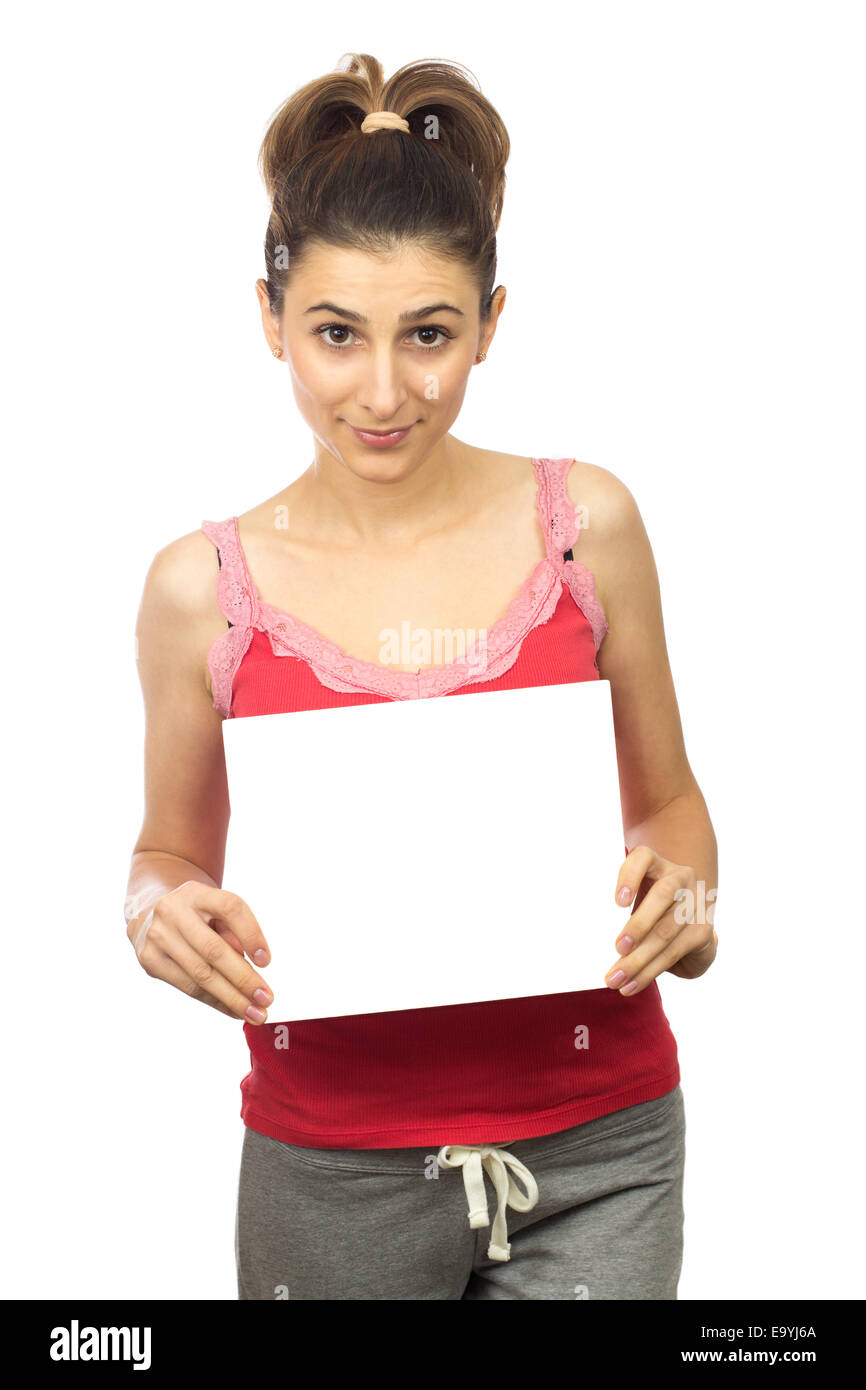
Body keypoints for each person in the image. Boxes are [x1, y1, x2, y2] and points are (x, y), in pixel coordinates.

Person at [125, 52, 718, 1301]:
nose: (384, 391)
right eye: (336, 334)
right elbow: (169, 853)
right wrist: (156, 916)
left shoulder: (584, 526)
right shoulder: (200, 590)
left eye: (431, 334)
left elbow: (669, 808)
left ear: (490, 325)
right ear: (270, 317)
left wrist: (684, 902)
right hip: (327, 1165)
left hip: (602, 1144)